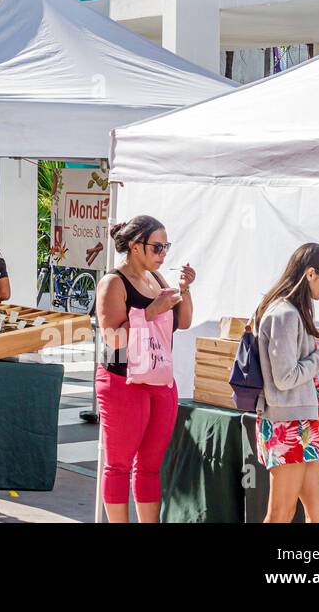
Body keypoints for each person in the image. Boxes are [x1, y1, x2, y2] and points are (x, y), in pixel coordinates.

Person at [94, 214, 194, 523]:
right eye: (157, 247)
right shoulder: (113, 281)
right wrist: (149, 312)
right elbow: (112, 337)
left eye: (166, 247)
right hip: (122, 380)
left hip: (159, 379)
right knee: (119, 464)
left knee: (151, 464)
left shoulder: (158, 279)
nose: (163, 255)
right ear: (136, 247)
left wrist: (184, 289)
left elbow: (184, 322)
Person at [253, 242, 319, 524]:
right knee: (281, 514)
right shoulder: (285, 314)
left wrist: (316, 347)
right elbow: (285, 377)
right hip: (287, 423)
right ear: (310, 274)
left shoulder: (291, 311)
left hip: (300, 421)